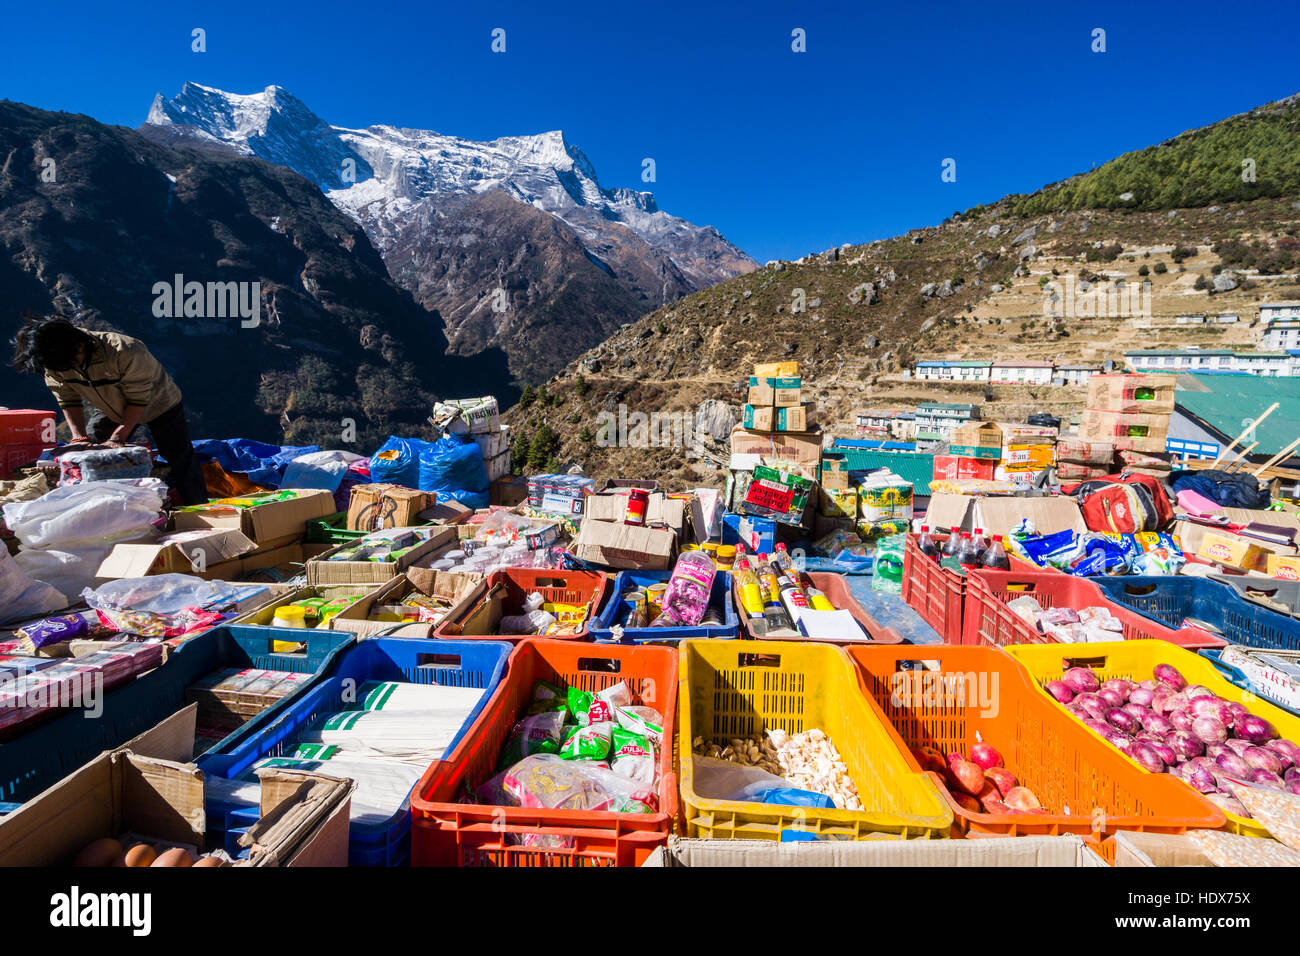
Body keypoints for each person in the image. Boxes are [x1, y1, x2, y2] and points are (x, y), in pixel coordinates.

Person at [10, 314, 209, 504]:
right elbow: (68, 399)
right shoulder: (55, 360)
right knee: (88, 456)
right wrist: (79, 437)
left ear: (79, 347)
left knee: (178, 456)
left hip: (159, 402)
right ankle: (96, 504)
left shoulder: (125, 351)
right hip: (109, 406)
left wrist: (117, 438)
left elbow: (138, 399)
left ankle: (197, 508)